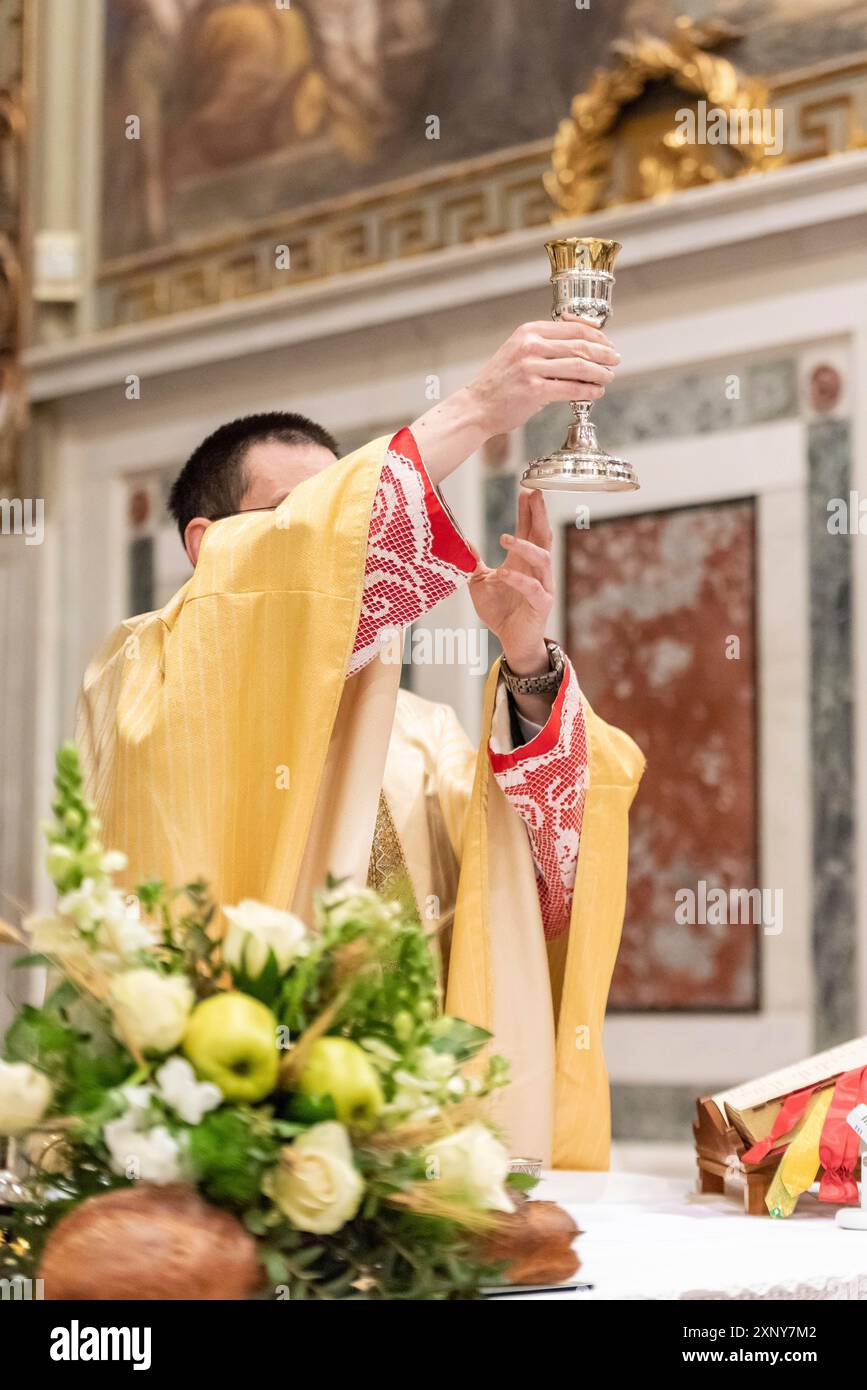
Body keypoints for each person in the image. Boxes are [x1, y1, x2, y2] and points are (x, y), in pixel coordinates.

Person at [76, 318, 644, 1168]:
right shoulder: (148, 673)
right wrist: (480, 408)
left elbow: (540, 879)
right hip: (222, 1140)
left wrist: (527, 662)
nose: (326, 547)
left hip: (409, 1144)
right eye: (293, 521)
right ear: (211, 548)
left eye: (333, 512)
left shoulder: (422, 733)